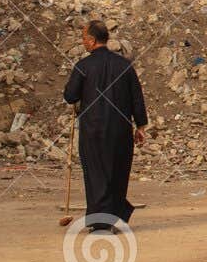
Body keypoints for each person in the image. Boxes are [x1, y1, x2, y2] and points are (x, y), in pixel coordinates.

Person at [63, 19, 148, 232]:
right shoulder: (124, 65)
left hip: (92, 130)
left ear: (92, 41)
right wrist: (140, 126)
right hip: (120, 130)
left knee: (95, 174)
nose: (83, 42)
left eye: (84, 38)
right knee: (117, 172)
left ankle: (100, 221)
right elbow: (137, 97)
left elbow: (70, 96)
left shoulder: (83, 66)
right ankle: (116, 216)